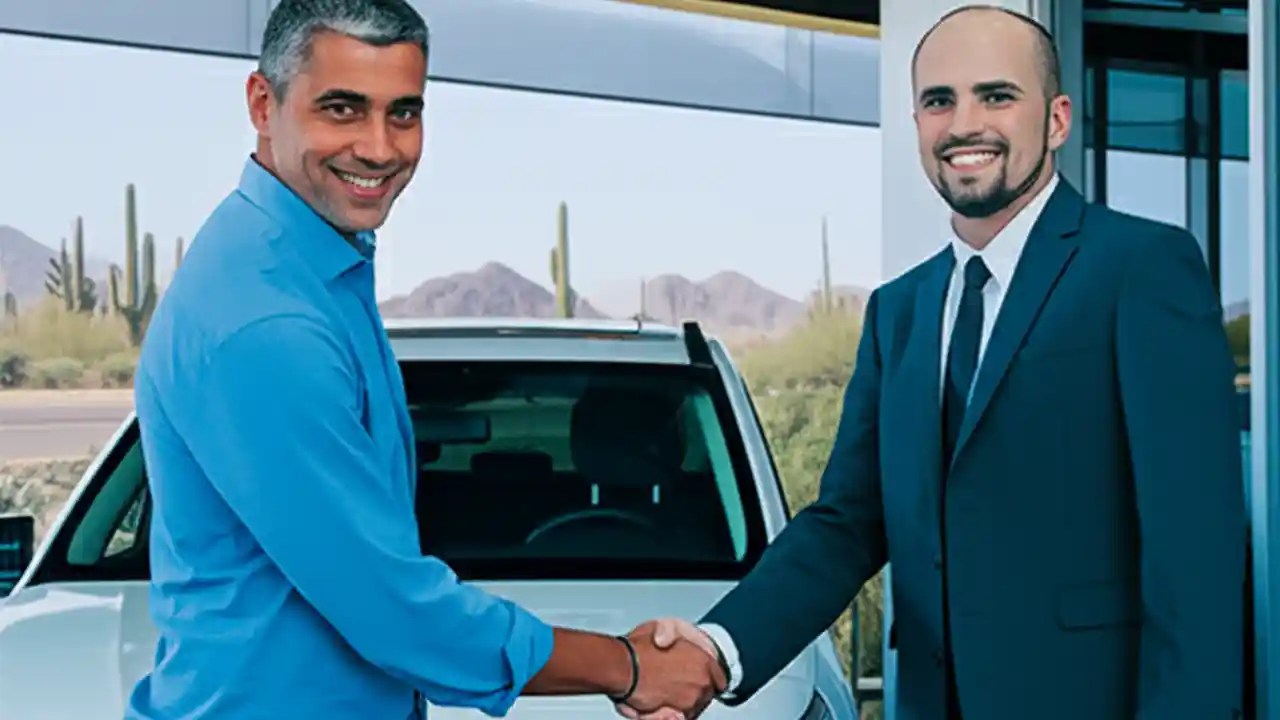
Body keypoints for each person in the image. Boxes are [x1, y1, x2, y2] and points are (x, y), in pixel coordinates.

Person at [624, 5, 1247, 720]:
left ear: (1057, 120)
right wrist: (717, 648)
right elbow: (849, 523)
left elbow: (1193, 558)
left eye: (997, 95)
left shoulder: (1141, 269)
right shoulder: (899, 311)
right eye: (938, 101)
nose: (963, 124)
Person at [124, 1, 722, 718]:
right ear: (263, 101)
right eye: (342, 109)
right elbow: (390, 608)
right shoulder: (266, 322)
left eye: (403, 113)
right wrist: (624, 666)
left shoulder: (308, 270)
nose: (379, 148)